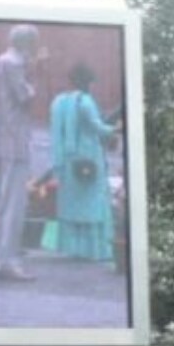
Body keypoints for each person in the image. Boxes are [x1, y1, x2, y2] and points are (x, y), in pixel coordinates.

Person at [0, 25, 39, 282]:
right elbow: (24, 96)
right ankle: (8, 260)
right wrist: (34, 78)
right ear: (27, 43)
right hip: (15, 141)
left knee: (1, 202)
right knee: (14, 205)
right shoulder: (15, 64)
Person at [49, 63, 118, 262]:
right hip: (90, 159)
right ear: (87, 82)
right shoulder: (85, 101)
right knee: (93, 202)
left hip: (68, 161)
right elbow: (97, 127)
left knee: (72, 203)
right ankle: (94, 249)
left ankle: (74, 248)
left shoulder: (59, 102)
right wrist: (114, 129)